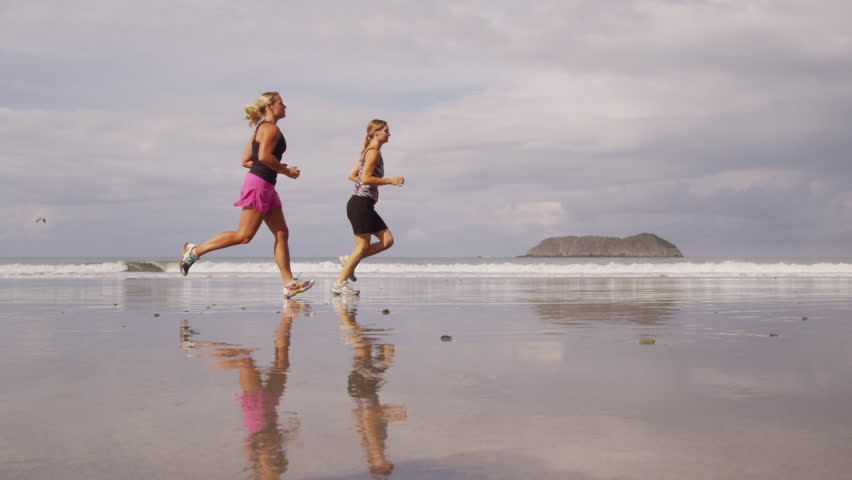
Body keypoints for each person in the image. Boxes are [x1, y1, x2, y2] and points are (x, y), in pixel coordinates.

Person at [179, 92, 313, 299]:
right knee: (244, 236)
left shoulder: (262, 127)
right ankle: (194, 251)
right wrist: (286, 171)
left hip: (265, 184)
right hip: (260, 185)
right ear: (269, 106)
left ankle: (289, 283)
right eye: (281, 103)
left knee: (281, 233)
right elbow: (263, 157)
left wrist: (275, 168)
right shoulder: (270, 128)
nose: (285, 106)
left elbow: (247, 160)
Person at [333, 119, 404, 295]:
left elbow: (352, 175)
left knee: (387, 241)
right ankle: (339, 284)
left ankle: (349, 261)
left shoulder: (369, 152)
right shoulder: (372, 153)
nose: (389, 134)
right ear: (375, 133)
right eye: (386, 130)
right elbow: (364, 179)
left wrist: (369, 183)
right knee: (363, 247)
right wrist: (390, 180)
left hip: (364, 205)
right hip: (360, 204)